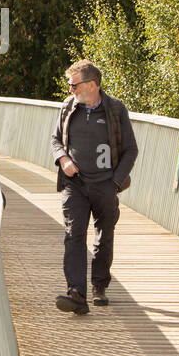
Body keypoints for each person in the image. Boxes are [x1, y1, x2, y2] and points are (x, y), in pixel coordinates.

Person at [49, 60, 138, 314]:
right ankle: (76, 294)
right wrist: (63, 159)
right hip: (74, 184)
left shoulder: (116, 110)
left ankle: (99, 284)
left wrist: (115, 182)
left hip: (105, 185)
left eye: (74, 85)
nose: (71, 90)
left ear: (91, 85)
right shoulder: (68, 108)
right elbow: (56, 139)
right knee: (73, 235)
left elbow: (131, 149)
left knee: (104, 235)